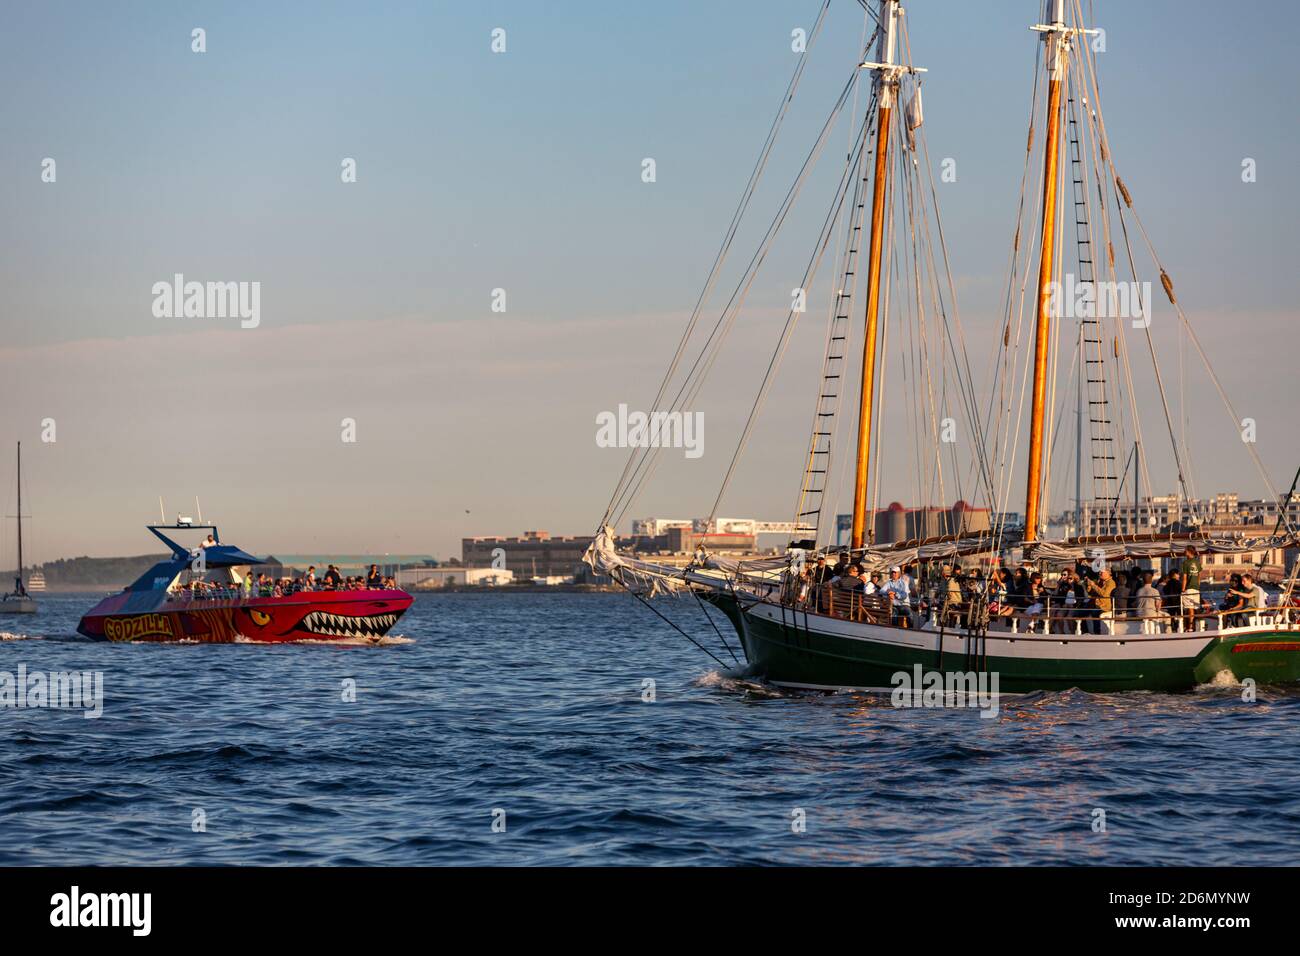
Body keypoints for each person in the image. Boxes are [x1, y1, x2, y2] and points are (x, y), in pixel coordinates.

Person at [1083, 568, 1115, 635]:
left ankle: (1097, 633)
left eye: (1101, 572)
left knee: (1095, 612)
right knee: (1079, 612)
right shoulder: (1099, 581)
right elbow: (1090, 593)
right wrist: (1089, 585)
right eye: (1099, 572)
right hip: (1095, 604)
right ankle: (1084, 632)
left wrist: (1094, 585)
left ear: (1108, 573)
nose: (1099, 574)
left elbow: (1104, 594)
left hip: (1104, 606)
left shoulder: (1111, 583)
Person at [1180, 546, 1202, 632]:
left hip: (1188, 588)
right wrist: (1198, 586)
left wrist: (1182, 590)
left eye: (1185, 550)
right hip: (1196, 588)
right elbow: (1199, 576)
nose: (1184, 551)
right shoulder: (1197, 562)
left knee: (1189, 609)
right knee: (1194, 608)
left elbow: (1184, 578)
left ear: (1189, 552)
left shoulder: (1185, 563)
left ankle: (1190, 627)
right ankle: (1193, 626)